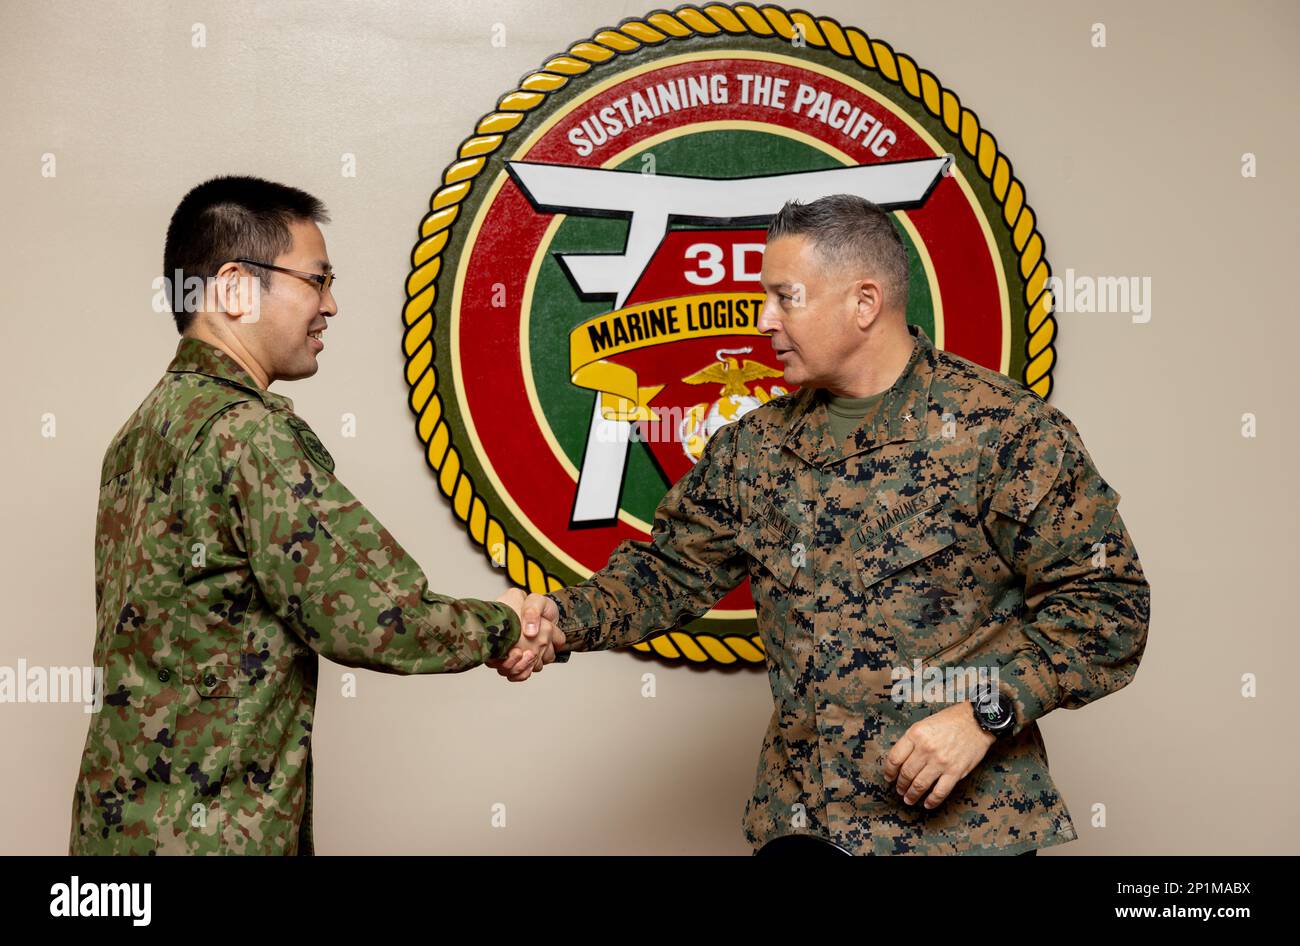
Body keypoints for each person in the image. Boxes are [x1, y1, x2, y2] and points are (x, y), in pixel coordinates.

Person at [497, 194, 1151, 855]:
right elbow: (667, 576)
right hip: (806, 825)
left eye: (786, 297)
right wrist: (556, 619)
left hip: (962, 835)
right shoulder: (755, 449)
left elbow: (1109, 606)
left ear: (863, 304)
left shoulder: (1005, 432)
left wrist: (986, 713)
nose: (763, 320)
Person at [70, 176, 560, 855]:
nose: (331, 304)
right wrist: (507, 625)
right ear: (237, 285)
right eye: (317, 279)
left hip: (115, 836)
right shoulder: (248, 435)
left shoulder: (140, 431)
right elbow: (382, 620)